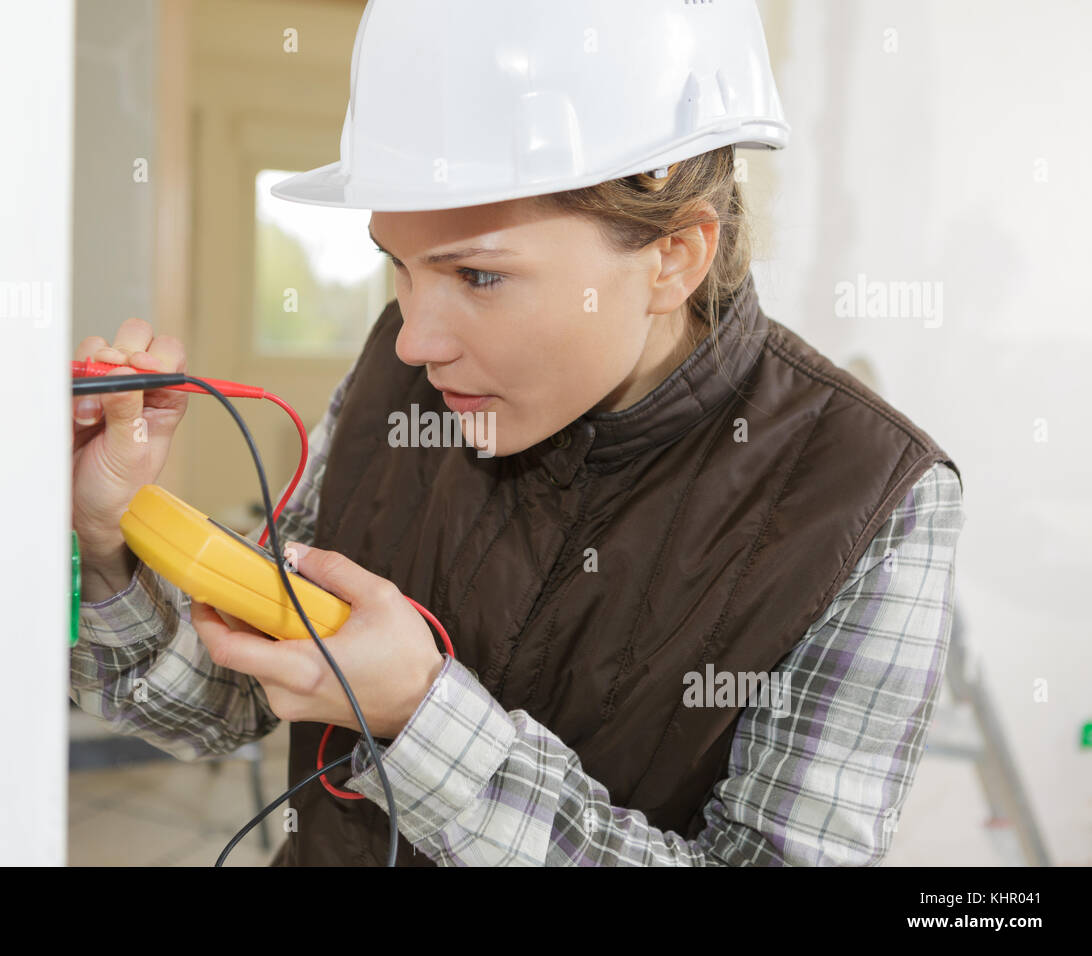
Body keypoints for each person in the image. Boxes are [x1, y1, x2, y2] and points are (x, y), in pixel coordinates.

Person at [70, 0, 965, 866]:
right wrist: (111, 536)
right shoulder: (402, 368)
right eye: (401, 269)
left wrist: (422, 719)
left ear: (674, 255)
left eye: (479, 277)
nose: (415, 339)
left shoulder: (873, 496)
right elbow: (223, 703)